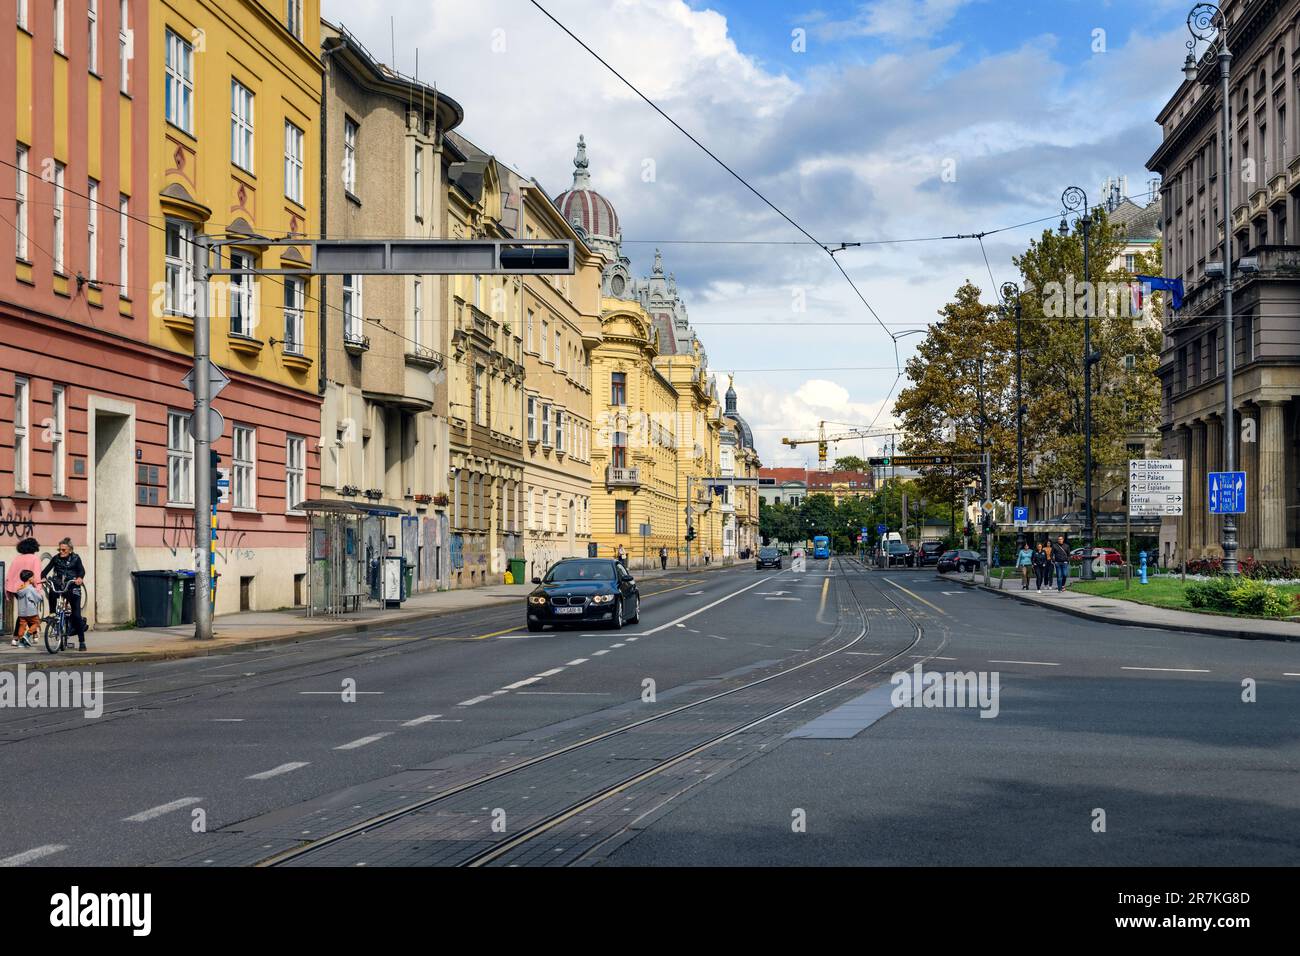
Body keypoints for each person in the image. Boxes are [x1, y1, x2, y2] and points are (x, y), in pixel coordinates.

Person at [42, 538, 87, 651]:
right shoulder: (56, 558)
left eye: (63, 550)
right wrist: (42, 577)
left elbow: (81, 571)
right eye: (60, 549)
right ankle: (52, 614)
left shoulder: (76, 558)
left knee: (76, 615)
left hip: (72, 586)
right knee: (52, 590)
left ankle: (82, 641)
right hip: (59, 584)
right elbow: (46, 570)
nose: (61, 552)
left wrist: (79, 578)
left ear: (70, 550)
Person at [6, 537, 42, 640]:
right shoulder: (35, 558)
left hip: (18, 590)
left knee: (23, 612)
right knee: (30, 612)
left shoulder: (17, 558)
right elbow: (36, 574)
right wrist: (38, 588)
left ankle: (18, 637)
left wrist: (9, 589)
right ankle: (28, 635)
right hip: (30, 589)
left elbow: (11, 574)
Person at [11, 569, 43, 648]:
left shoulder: (20, 589)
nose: (34, 578)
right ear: (29, 579)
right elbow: (38, 598)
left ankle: (21, 642)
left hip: (22, 612)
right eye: (33, 577)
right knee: (37, 623)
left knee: (22, 626)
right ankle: (28, 634)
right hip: (31, 611)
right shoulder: (30, 589)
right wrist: (40, 595)